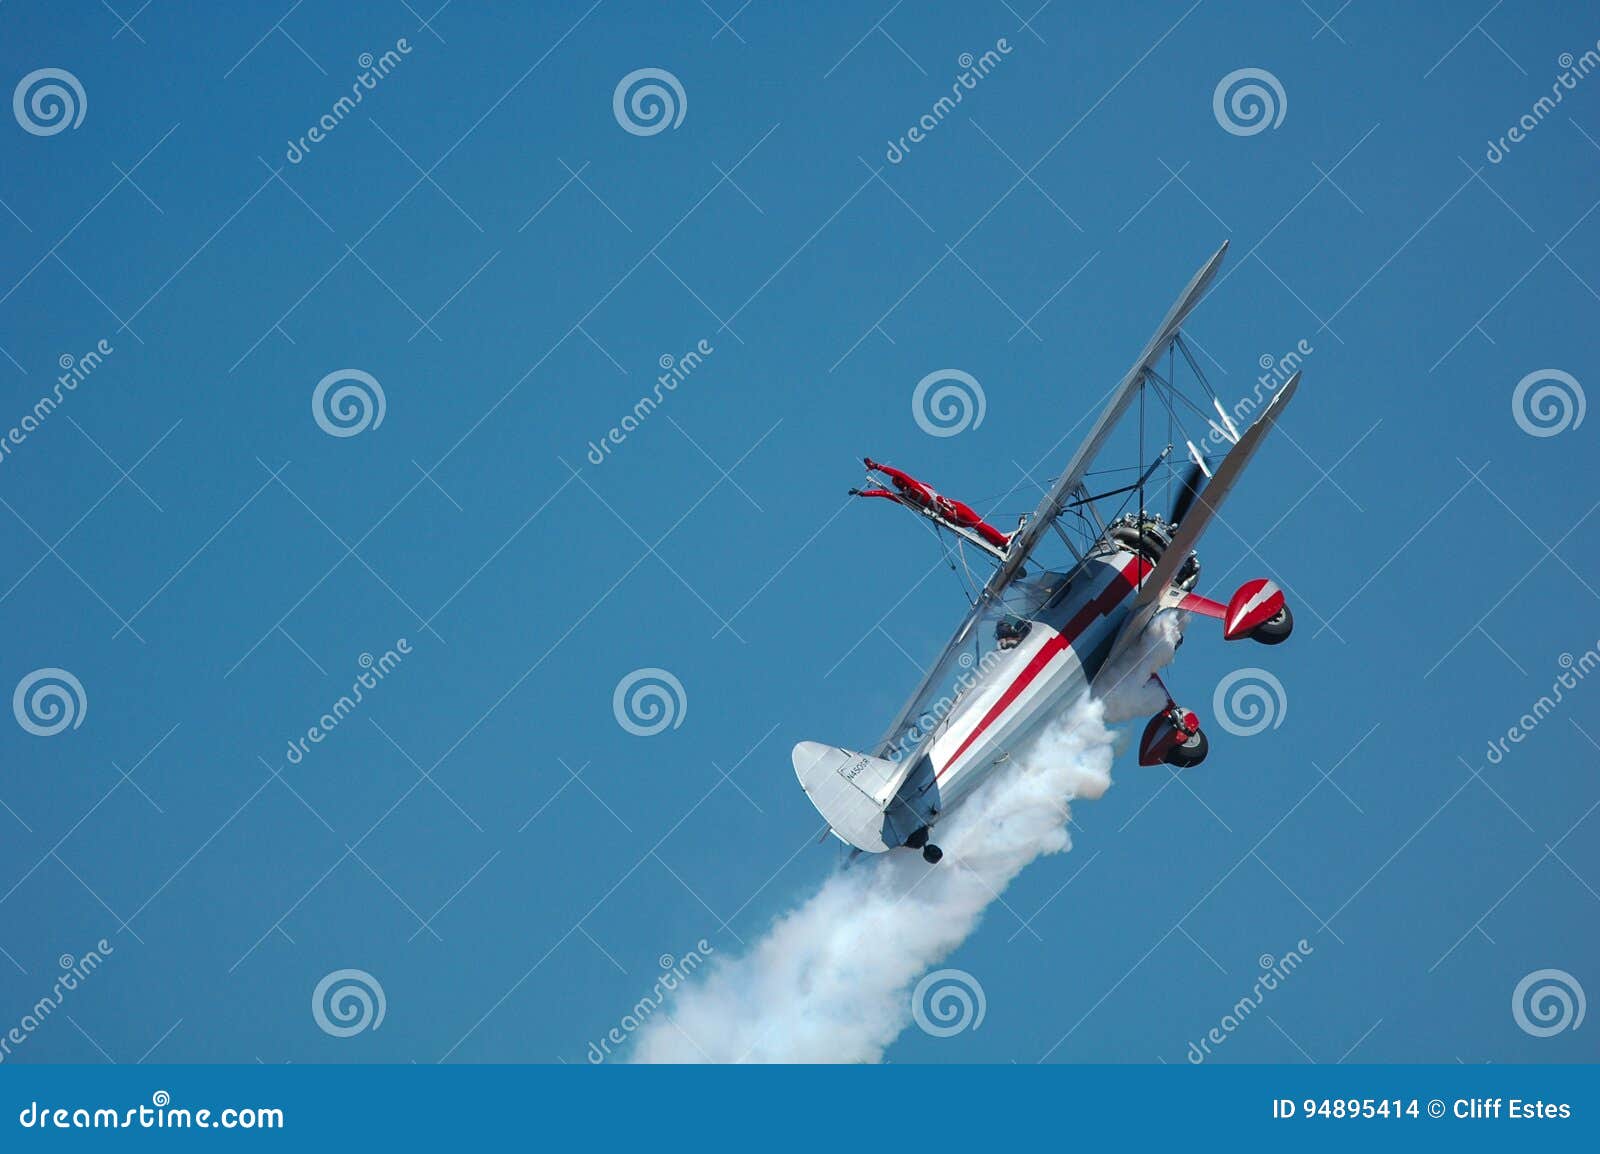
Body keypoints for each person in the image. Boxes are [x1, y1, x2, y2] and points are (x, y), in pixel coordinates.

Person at [851, 457, 1012, 550]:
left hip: (950, 517)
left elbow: (885, 494)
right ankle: (1002, 541)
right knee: (978, 524)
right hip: (954, 510)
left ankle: (998, 541)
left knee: (976, 527)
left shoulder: (906, 498)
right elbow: (896, 474)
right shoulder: (913, 486)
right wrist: (877, 466)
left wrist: (864, 494)